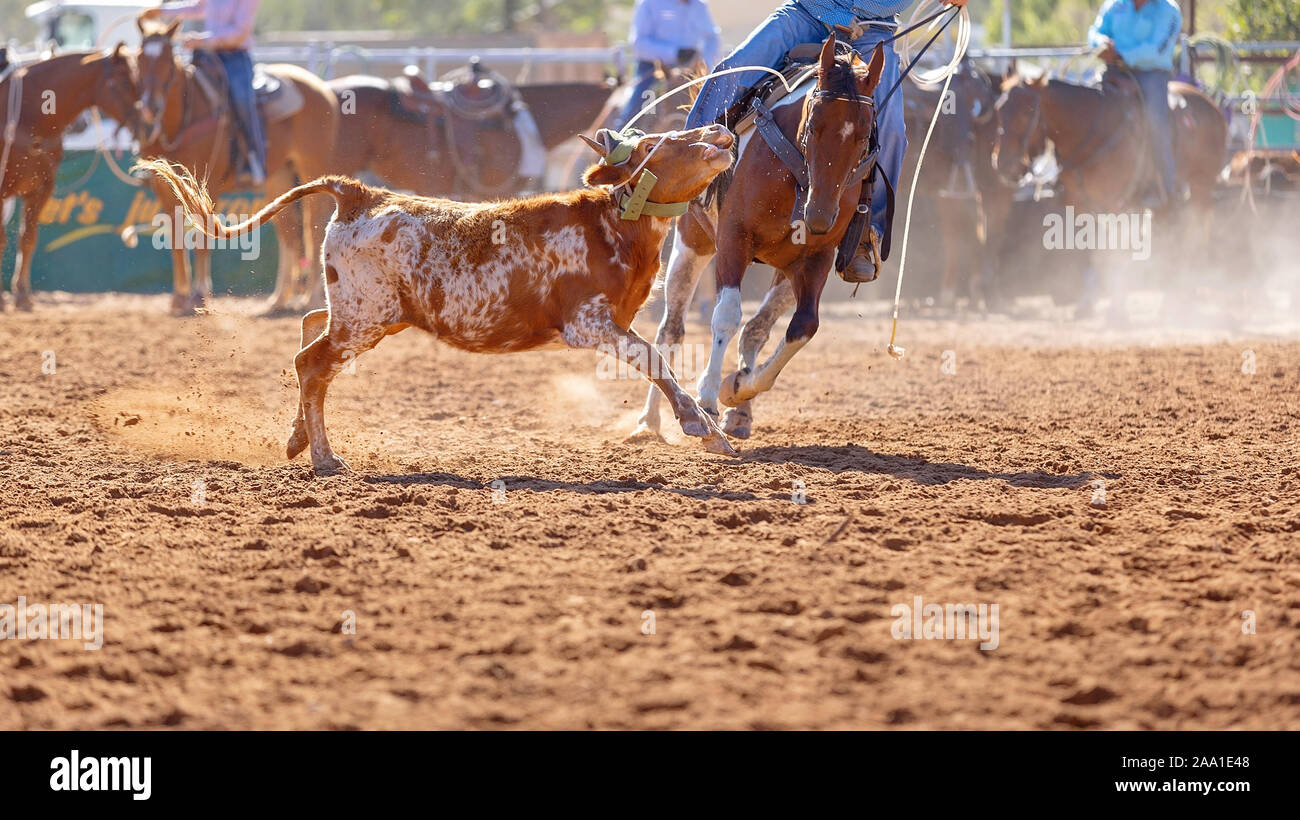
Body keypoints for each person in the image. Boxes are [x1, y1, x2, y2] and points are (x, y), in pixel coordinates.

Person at [684, 0, 969, 284]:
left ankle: (866, 233)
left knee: (892, 130)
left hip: (874, 32)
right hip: (809, 13)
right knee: (732, 72)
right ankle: (685, 163)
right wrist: (835, 15)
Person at [142, 0, 266, 186]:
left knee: (242, 100)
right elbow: (198, 8)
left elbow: (240, 33)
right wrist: (161, 11)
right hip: (207, 56)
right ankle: (152, 155)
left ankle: (253, 158)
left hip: (235, 58)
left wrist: (202, 40)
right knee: (170, 87)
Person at [1088, 0, 1183, 208]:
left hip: (1151, 74)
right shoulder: (1115, 5)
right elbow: (1095, 32)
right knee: (1086, 108)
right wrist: (1101, 43)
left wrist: (1120, 52)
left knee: (1155, 120)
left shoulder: (1169, 10)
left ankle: (1166, 187)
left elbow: (1158, 49)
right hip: (1114, 71)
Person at [614, 0, 723, 132]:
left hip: (690, 70)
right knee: (638, 105)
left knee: (718, 104)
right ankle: (621, 141)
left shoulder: (699, 5)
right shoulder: (649, 3)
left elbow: (712, 37)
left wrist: (703, 64)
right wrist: (674, 53)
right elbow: (638, 43)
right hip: (653, 68)